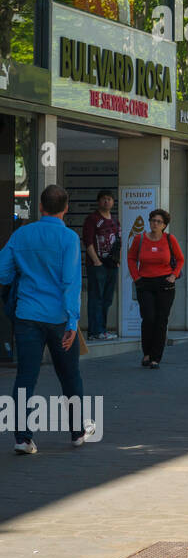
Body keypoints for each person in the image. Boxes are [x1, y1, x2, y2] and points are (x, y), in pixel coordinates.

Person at [0, 184, 89, 453]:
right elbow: (71, 283)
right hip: (60, 318)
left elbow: (3, 274)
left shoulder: (22, 235)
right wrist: (72, 322)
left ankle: (22, 438)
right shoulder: (69, 238)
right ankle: (76, 432)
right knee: (70, 375)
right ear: (66, 208)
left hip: (27, 315)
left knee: (25, 377)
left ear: (40, 207)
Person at [128, 209, 184, 370]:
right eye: (153, 220)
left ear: (164, 225)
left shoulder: (169, 239)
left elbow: (180, 259)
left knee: (161, 320)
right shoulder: (140, 239)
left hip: (165, 282)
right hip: (144, 282)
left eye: (159, 221)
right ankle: (146, 353)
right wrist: (136, 277)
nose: (155, 224)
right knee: (148, 318)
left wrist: (173, 275)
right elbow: (131, 258)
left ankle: (155, 357)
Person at [81, 190, 121, 341]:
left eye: (109, 199)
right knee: (96, 298)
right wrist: (96, 261)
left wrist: (117, 261)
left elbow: (119, 241)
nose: (107, 202)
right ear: (98, 201)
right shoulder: (92, 219)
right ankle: (94, 331)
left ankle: (102, 329)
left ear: (113, 202)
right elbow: (88, 241)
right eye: (104, 199)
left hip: (112, 264)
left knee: (107, 299)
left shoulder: (115, 220)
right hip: (97, 264)